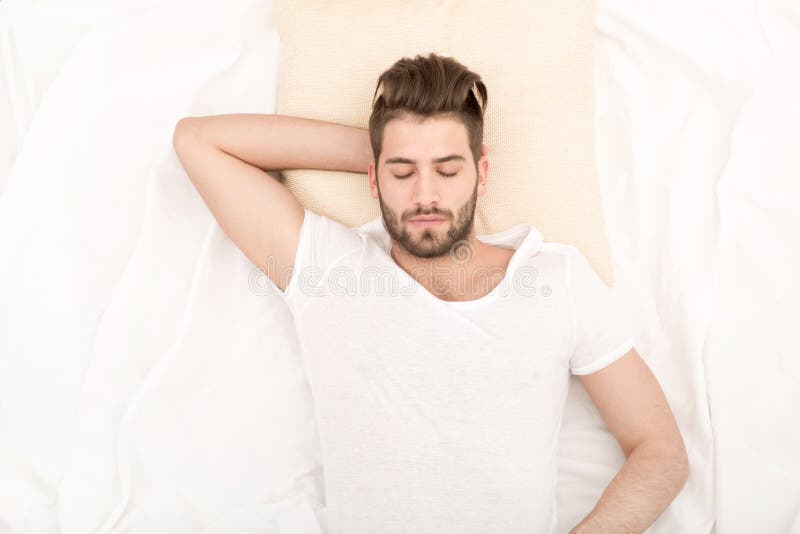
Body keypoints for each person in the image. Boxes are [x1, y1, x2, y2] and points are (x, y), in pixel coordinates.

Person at [173, 52, 689, 534]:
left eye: (447, 169)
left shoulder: (556, 280)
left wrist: (401, 155)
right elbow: (198, 141)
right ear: (373, 179)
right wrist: (377, 150)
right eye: (402, 173)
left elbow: (660, 452)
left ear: (481, 173)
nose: (425, 195)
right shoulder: (328, 272)